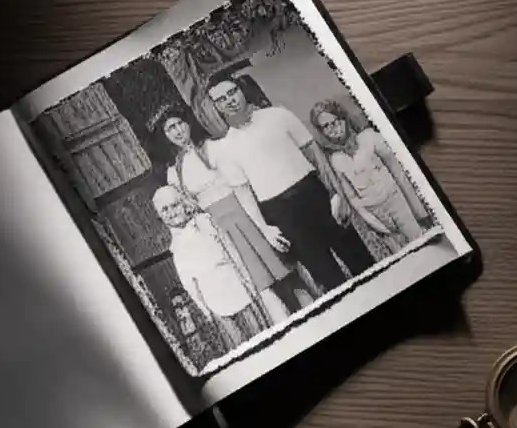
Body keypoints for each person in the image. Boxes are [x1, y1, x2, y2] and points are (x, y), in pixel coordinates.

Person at [205, 74, 374, 293]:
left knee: (362, 262)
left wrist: (335, 195)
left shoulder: (278, 115)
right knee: (331, 281)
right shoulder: (226, 147)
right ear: (216, 107)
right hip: (281, 213)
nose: (229, 100)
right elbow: (244, 193)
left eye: (232, 92)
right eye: (220, 99)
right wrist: (265, 229)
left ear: (241, 89)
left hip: (314, 195)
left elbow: (316, 157)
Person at [152, 104, 297, 323]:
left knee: (284, 276)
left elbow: (242, 188)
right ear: (165, 137)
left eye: (179, 123)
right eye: (169, 129)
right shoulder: (174, 173)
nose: (177, 131)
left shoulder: (213, 148)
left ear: (188, 123)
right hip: (219, 231)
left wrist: (262, 226)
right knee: (259, 287)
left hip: (243, 215)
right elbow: (187, 212)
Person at [152, 186, 268, 347]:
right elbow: (189, 284)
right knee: (238, 346)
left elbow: (232, 252)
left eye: (175, 205)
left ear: (184, 203)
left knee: (262, 335)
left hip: (237, 287)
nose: (172, 212)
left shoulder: (205, 222)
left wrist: (247, 281)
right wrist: (205, 310)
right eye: (165, 210)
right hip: (214, 301)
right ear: (160, 216)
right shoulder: (177, 248)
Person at [309, 99, 429, 251]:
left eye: (335, 121)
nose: (333, 128)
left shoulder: (369, 137)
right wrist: (372, 221)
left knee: (420, 242)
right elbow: (352, 197)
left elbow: (398, 171)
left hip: (397, 200)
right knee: (403, 252)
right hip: (376, 213)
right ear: (321, 131)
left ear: (343, 118)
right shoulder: (335, 159)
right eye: (326, 126)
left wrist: (418, 210)